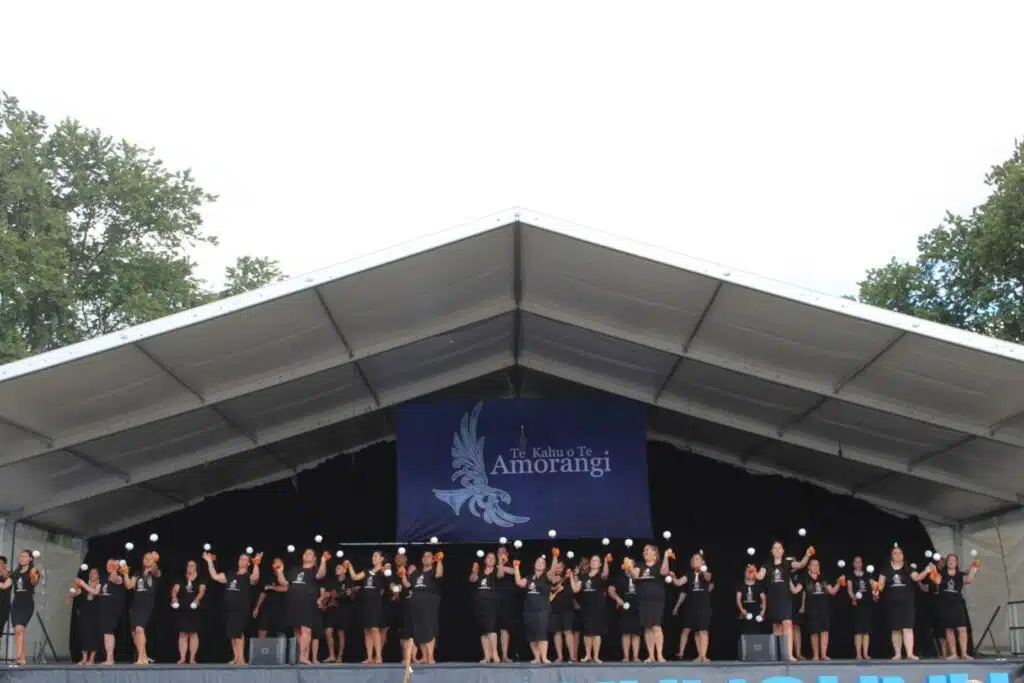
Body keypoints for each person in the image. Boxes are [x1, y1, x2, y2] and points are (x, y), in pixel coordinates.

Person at [755, 541, 812, 662]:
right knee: (777, 627)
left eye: (779, 548)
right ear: (771, 551)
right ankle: (778, 654)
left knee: (787, 623)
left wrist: (807, 555)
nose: (776, 550)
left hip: (785, 599)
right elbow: (759, 576)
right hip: (773, 599)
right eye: (774, 548)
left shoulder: (787, 563)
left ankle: (789, 654)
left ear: (782, 551)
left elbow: (801, 565)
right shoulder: (766, 566)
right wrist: (753, 571)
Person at [205, 550, 262, 665]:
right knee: (232, 633)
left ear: (248, 563)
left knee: (238, 631)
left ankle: (241, 658)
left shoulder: (247, 576)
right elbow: (215, 576)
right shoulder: (230, 574)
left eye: (245, 560)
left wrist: (256, 563)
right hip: (229, 608)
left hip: (241, 608)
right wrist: (209, 562)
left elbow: (255, 578)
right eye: (241, 559)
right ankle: (236, 657)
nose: (242, 561)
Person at [877, 545, 931, 660]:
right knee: (896, 629)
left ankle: (910, 653)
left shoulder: (907, 567)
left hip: (907, 603)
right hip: (892, 603)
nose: (898, 555)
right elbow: (880, 585)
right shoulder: (885, 569)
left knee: (907, 628)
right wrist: (875, 589)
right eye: (895, 553)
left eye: (900, 553)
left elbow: (917, 578)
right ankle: (897, 654)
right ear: (891, 556)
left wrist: (926, 571)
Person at [628, 544, 671, 663]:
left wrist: (666, 557)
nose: (645, 552)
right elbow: (635, 576)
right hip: (643, 601)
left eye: (647, 550)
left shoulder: (659, 565)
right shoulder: (640, 566)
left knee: (656, 627)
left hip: (656, 601)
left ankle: (660, 655)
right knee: (647, 628)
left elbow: (664, 572)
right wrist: (630, 567)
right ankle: (651, 655)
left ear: (654, 553)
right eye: (643, 551)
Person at [285, 549, 327, 665]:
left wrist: (323, 561)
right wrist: (279, 573)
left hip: (307, 602)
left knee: (306, 630)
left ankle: (302, 656)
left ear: (314, 558)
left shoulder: (314, 570)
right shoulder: (294, 570)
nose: (307, 554)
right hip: (294, 602)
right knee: (298, 630)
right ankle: (304, 656)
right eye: (305, 553)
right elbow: (285, 583)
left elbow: (321, 575)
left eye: (310, 554)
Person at [670, 552, 713, 663]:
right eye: (693, 559)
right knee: (696, 632)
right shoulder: (689, 575)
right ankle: (700, 655)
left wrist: (703, 569)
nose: (694, 561)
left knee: (703, 631)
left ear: (702, 561)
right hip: (692, 606)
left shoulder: (706, 573)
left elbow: (708, 578)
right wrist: (673, 577)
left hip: (703, 606)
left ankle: (704, 656)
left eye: (697, 559)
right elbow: (678, 583)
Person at [937, 553, 980, 659]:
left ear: (956, 563)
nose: (951, 562)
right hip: (945, 605)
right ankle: (953, 654)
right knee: (949, 629)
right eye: (949, 560)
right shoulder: (941, 573)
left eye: (953, 560)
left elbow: (969, 579)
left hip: (958, 604)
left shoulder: (960, 575)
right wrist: (932, 570)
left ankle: (964, 653)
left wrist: (974, 568)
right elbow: (936, 580)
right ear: (947, 562)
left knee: (962, 629)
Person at [405, 550, 444, 665]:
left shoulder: (434, 570)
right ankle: (425, 656)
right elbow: (408, 585)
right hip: (416, 603)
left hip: (429, 602)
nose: (426, 558)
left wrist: (439, 561)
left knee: (429, 628)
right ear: (422, 559)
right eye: (424, 556)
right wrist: (402, 575)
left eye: (429, 556)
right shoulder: (416, 573)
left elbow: (439, 574)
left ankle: (431, 656)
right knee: (419, 629)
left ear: (432, 560)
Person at [515, 555, 555, 664]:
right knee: (532, 634)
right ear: (534, 564)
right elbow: (519, 582)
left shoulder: (546, 577)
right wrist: (516, 567)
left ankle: (544, 657)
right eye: (538, 561)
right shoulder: (529, 577)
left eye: (542, 563)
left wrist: (555, 557)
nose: (539, 563)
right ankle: (537, 657)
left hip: (542, 609)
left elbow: (552, 570)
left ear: (545, 566)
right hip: (529, 609)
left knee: (541, 633)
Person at [571, 554, 610, 663]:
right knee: (587, 632)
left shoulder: (601, 575)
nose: (594, 562)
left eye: (596, 560)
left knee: (596, 632)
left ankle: (596, 656)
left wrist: (606, 561)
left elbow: (606, 573)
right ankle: (588, 655)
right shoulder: (584, 576)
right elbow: (575, 589)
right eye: (592, 560)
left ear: (600, 564)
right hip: (586, 607)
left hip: (598, 607)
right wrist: (572, 576)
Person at [349, 551, 387, 664]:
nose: (373, 558)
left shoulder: (383, 570)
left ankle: (379, 656)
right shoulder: (366, 571)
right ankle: (369, 657)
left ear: (381, 558)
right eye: (372, 556)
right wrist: (350, 565)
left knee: (375, 629)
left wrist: (386, 568)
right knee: (367, 630)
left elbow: (388, 574)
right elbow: (355, 577)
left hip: (376, 603)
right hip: (365, 603)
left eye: (376, 556)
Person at [802, 558, 842, 660]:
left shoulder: (823, 578)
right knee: (814, 631)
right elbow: (803, 594)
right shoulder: (805, 578)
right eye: (813, 565)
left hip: (823, 607)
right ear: (809, 567)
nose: (815, 567)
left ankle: (824, 654)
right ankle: (815, 655)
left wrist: (839, 583)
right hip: (811, 608)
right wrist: (802, 606)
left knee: (824, 631)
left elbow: (832, 591)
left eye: (817, 565)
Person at [126, 552, 161, 664]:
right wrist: (125, 572)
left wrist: (154, 561)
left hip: (146, 605)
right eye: (145, 558)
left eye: (149, 559)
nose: (146, 560)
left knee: (139, 629)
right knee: (135, 633)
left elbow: (156, 571)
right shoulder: (137, 573)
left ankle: (141, 657)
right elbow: (129, 586)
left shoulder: (154, 573)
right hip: (136, 606)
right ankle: (144, 656)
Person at [171, 560, 206, 664]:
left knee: (193, 633)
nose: (189, 567)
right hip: (182, 609)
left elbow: (202, 591)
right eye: (188, 565)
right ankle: (182, 658)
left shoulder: (200, 578)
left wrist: (197, 599)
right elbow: (175, 590)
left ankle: (192, 658)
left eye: (192, 565)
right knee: (182, 633)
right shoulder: (181, 579)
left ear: (196, 568)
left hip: (194, 609)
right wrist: (174, 598)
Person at [10, 550, 40, 666]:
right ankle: (21, 658)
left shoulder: (34, 570)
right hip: (16, 604)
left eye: (25, 556)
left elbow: (33, 582)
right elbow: (6, 584)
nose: (22, 558)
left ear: (30, 559)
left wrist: (33, 574)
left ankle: (18, 657)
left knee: (20, 629)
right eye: (21, 556)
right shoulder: (16, 573)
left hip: (27, 604)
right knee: (18, 631)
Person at [470, 552, 501, 663]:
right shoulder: (480, 571)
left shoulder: (497, 570)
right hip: (479, 603)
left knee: (491, 629)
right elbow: (472, 579)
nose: (491, 559)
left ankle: (495, 654)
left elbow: (500, 575)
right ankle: (487, 656)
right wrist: (474, 571)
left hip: (491, 603)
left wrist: (501, 561)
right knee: (483, 631)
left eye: (493, 558)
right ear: (485, 560)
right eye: (489, 558)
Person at [607, 563, 641, 663]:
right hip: (624, 607)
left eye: (631, 564)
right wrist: (618, 599)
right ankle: (626, 657)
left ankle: (635, 657)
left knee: (636, 633)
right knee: (626, 633)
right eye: (626, 564)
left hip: (637, 607)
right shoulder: (619, 578)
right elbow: (610, 590)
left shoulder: (638, 577)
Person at [70, 567, 101, 665]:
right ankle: (84, 658)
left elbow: (95, 592)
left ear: (98, 575)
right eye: (91, 573)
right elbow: (74, 594)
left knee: (94, 635)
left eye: (94, 573)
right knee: (83, 635)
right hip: (84, 614)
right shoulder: (83, 586)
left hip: (96, 614)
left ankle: (91, 659)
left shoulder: (100, 585)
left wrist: (83, 584)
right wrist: (74, 587)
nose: (92, 575)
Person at [548, 559, 575, 663]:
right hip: (554, 609)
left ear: (564, 567)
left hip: (567, 608)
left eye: (560, 567)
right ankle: (559, 657)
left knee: (568, 631)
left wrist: (571, 576)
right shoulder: (549, 578)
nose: (558, 569)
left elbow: (575, 589)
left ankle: (572, 656)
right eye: (556, 567)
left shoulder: (568, 577)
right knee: (557, 633)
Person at [846, 556, 874, 659]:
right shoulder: (850, 575)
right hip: (857, 605)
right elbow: (849, 590)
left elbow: (873, 586)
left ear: (862, 563)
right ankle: (858, 654)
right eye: (856, 562)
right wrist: (853, 597)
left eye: (860, 562)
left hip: (867, 604)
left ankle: (865, 653)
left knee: (866, 631)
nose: (858, 564)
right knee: (858, 630)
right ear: (853, 564)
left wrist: (875, 592)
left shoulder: (868, 575)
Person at [254, 556, 287, 639]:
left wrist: (271, 587)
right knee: (262, 629)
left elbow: (286, 588)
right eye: (275, 562)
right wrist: (257, 607)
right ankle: (261, 650)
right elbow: (263, 592)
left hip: (281, 606)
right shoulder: (268, 576)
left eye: (279, 562)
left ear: (282, 564)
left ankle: (281, 651)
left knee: (281, 631)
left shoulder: (287, 575)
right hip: (267, 606)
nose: (277, 564)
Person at [494, 546, 516, 663]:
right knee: (492, 628)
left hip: (507, 599)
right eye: (499, 552)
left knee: (505, 627)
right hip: (494, 598)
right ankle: (492, 655)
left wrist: (501, 565)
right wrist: (499, 564)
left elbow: (513, 572)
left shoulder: (512, 563)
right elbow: (499, 575)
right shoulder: (493, 563)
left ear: (507, 554)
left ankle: (505, 655)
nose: (501, 554)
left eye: (503, 552)